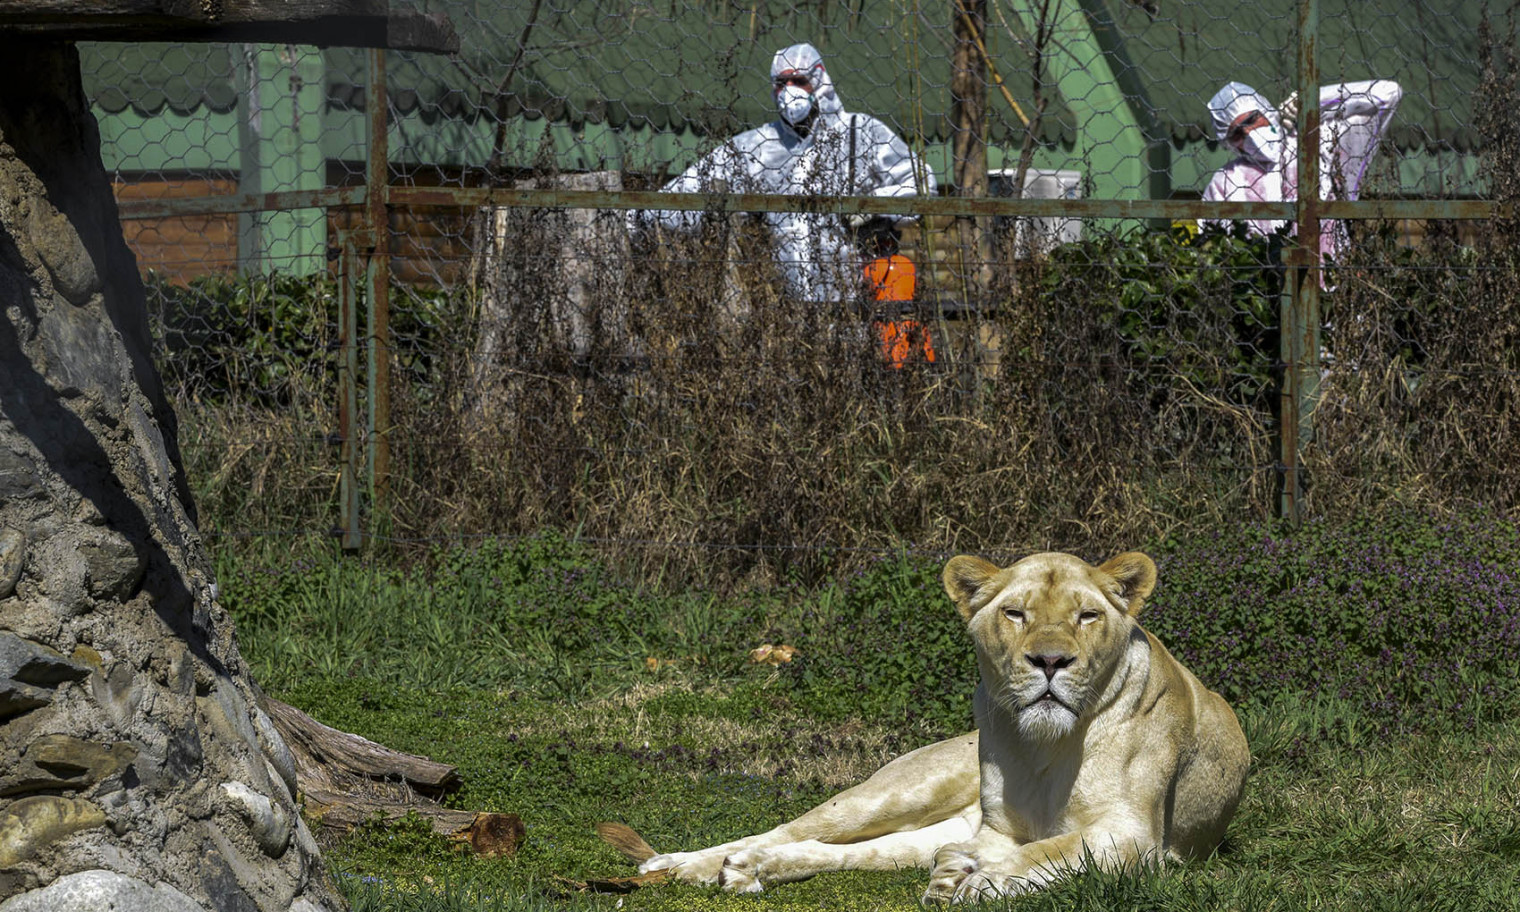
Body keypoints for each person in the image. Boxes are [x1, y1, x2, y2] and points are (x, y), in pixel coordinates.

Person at [628, 42, 936, 304]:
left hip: (861, 297)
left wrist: (870, 206)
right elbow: (692, 190)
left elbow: (923, 186)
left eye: (798, 81)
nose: (789, 92)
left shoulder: (862, 133)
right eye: (780, 84)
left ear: (820, 81)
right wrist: (641, 213)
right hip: (783, 306)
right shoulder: (758, 146)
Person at [1199, 79, 1402, 262]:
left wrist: (1311, 102)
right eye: (1236, 134)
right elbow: (1209, 246)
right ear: (1229, 144)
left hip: (1332, 290)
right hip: (1261, 295)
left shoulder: (1320, 144)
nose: (1249, 134)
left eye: (1252, 120)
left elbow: (1388, 94)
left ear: (1266, 111)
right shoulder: (1226, 181)